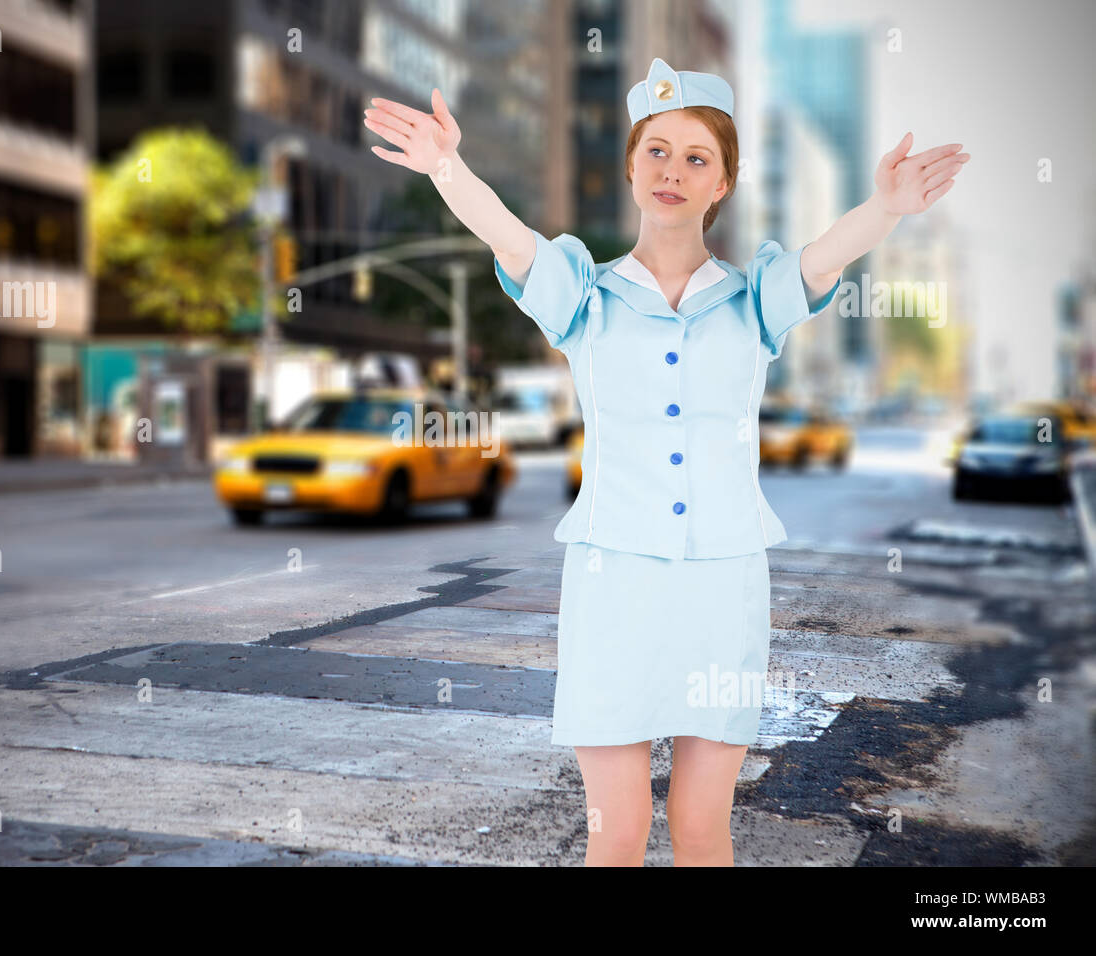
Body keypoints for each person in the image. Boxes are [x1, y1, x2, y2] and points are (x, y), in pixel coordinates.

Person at [364, 57, 969, 866]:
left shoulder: (754, 301)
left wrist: (886, 207)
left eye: (696, 157)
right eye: (656, 150)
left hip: (724, 585)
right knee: (615, 833)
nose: (672, 171)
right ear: (630, 164)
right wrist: (447, 165)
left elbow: (824, 257)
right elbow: (508, 237)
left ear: (723, 182)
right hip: (612, 583)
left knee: (700, 828)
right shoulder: (584, 296)